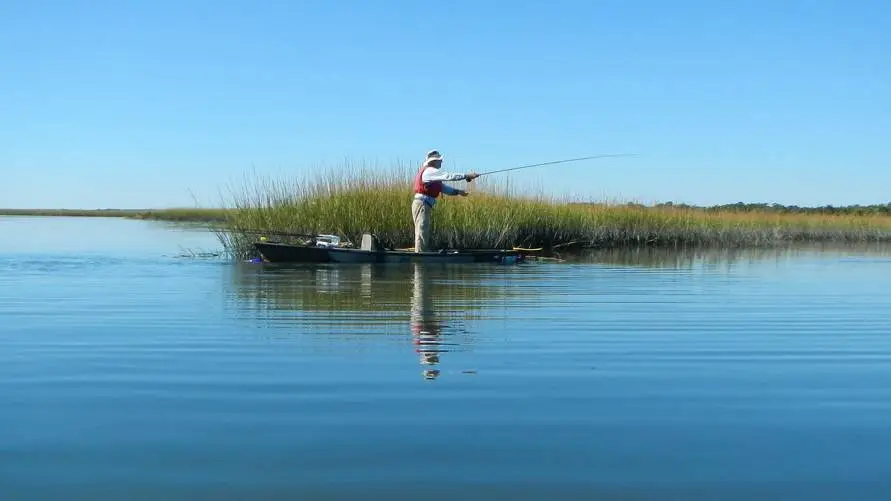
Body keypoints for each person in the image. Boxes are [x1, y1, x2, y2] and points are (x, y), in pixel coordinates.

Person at [412, 150, 479, 252]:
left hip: (423, 204)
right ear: (433, 161)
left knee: (423, 230)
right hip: (422, 204)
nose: (441, 162)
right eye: (439, 160)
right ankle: (420, 256)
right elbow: (448, 176)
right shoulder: (430, 171)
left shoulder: (433, 175)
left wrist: (458, 192)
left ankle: (422, 252)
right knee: (422, 230)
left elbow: (443, 188)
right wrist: (466, 175)